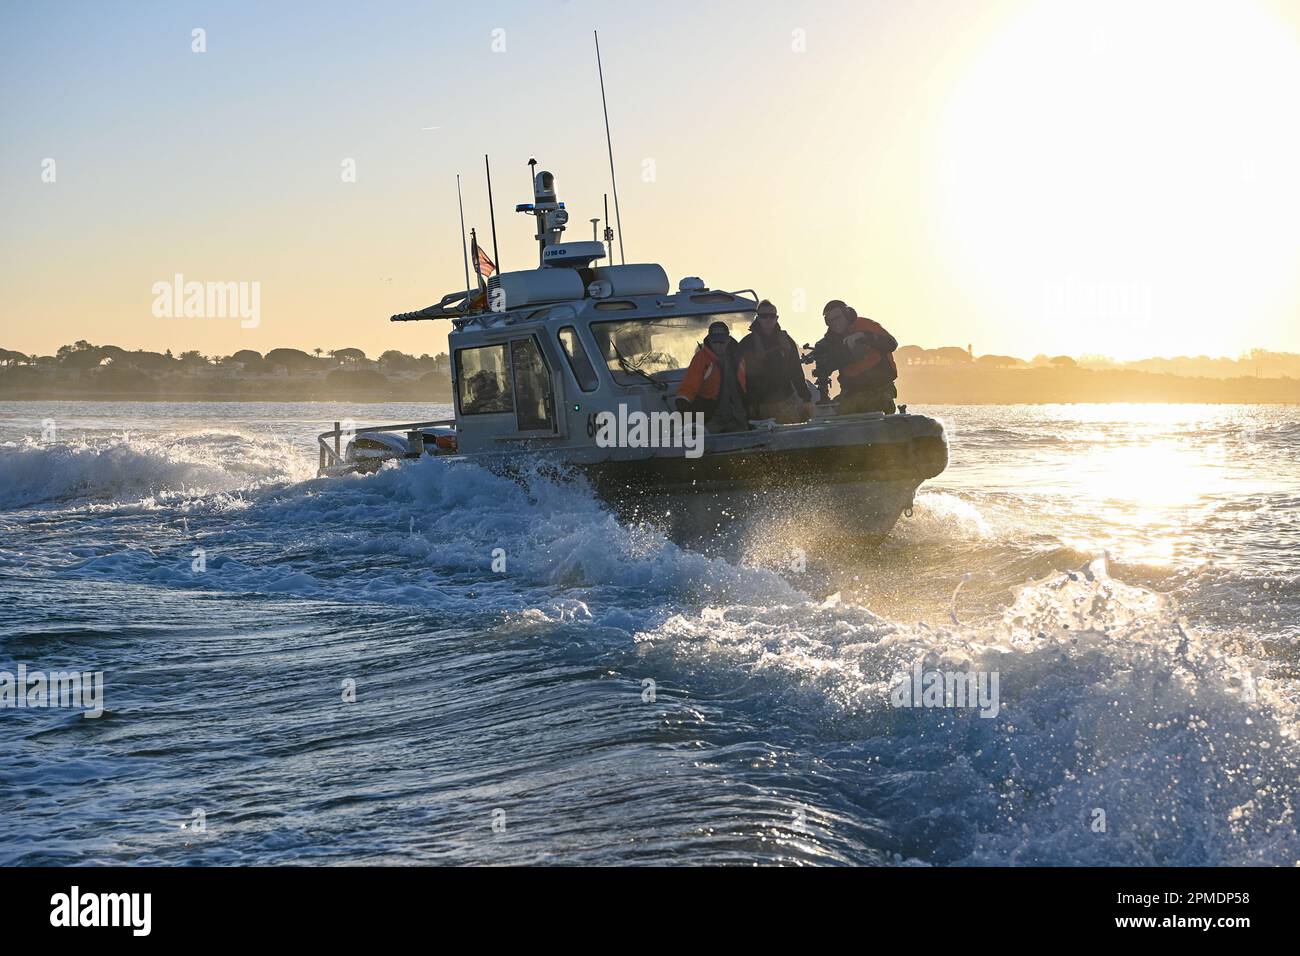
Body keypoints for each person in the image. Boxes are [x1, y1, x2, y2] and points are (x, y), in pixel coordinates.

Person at [814, 300, 899, 414]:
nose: (835, 323)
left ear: (847, 314)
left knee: (875, 408)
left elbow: (891, 344)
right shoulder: (829, 342)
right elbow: (823, 372)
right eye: (830, 321)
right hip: (852, 392)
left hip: (880, 389)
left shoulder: (867, 326)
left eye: (838, 318)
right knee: (835, 413)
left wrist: (864, 336)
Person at [737, 300, 813, 423]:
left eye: (772, 316)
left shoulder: (786, 341)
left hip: (785, 402)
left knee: (791, 438)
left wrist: (806, 398)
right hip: (758, 407)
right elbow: (739, 377)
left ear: (777, 318)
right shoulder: (746, 344)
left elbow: (796, 371)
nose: (768, 319)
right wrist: (746, 404)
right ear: (758, 318)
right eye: (763, 316)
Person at [675, 320, 749, 433]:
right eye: (715, 342)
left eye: (722, 342)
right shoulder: (701, 359)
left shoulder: (738, 358)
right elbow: (688, 387)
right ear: (709, 340)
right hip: (712, 419)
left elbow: (746, 384)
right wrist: (683, 403)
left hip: (738, 417)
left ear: (728, 340)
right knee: (710, 447)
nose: (719, 345)